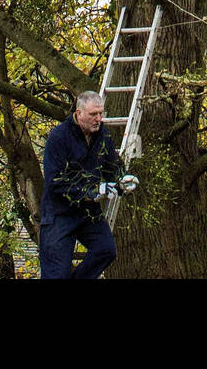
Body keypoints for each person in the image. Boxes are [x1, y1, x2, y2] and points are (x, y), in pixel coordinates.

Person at [38, 90, 139, 279]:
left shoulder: (103, 136)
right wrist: (92, 191)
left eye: (101, 113)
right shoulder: (59, 137)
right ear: (79, 113)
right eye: (94, 114)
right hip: (59, 215)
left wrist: (123, 180)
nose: (99, 119)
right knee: (56, 275)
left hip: (87, 214)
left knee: (106, 250)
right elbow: (55, 182)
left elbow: (113, 165)